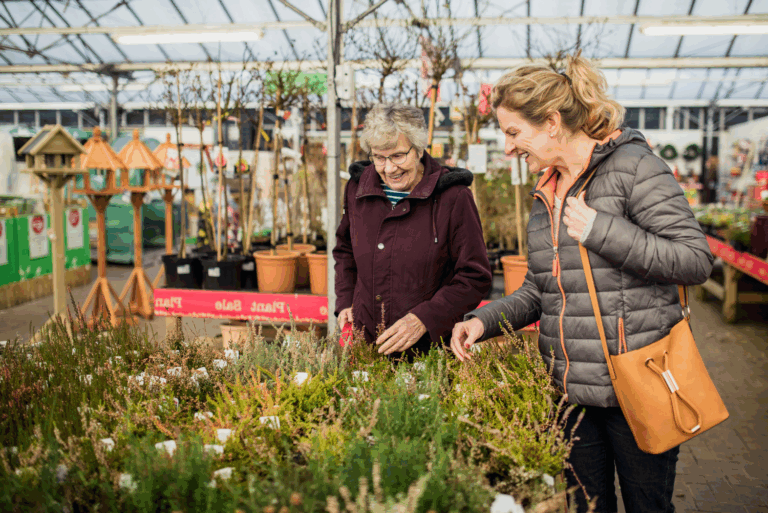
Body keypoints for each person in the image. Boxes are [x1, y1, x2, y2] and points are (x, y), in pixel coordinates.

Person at [450, 53, 714, 512]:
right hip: (570, 390)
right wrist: (484, 321)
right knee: (588, 507)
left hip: (638, 381)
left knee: (646, 506)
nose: (508, 147)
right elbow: (542, 288)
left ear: (551, 122)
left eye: (514, 132)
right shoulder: (546, 193)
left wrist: (602, 231)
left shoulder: (635, 168)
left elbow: (695, 260)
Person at [333, 103, 492, 358]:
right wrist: (345, 301)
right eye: (379, 157)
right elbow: (344, 250)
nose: (389, 168)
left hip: (428, 351)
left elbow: (474, 276)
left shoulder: (453, 197)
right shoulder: (357, 189)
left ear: (419, 149)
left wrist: (423, 318)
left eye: (398, 156)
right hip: (366, 345)